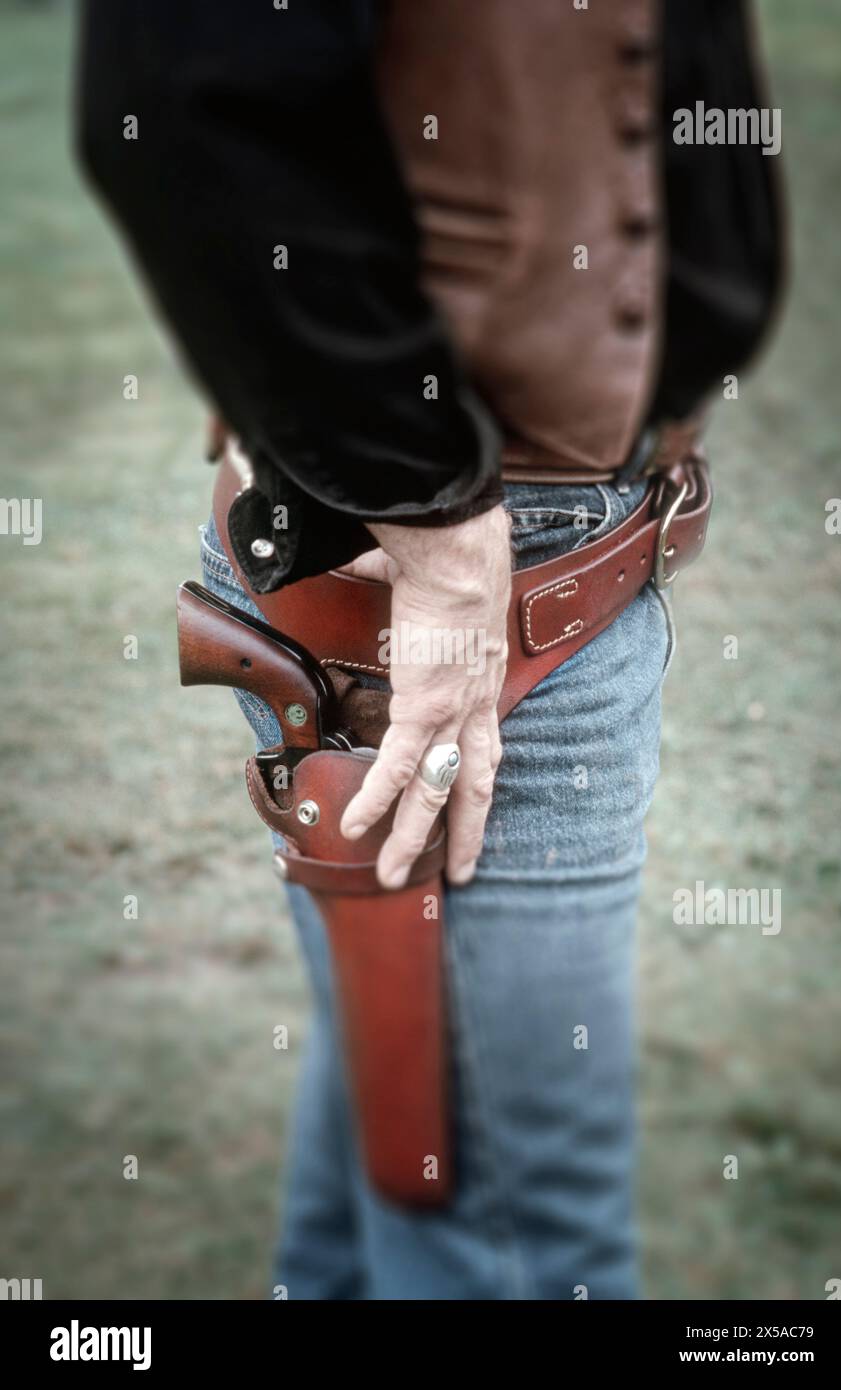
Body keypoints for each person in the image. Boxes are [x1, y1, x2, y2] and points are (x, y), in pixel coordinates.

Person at [77, 0, 783, 1299]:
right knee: (515, 1232)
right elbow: (183, 105)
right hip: (477, 582)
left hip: (515, 544)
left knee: (403, 1151)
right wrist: (435, 517)